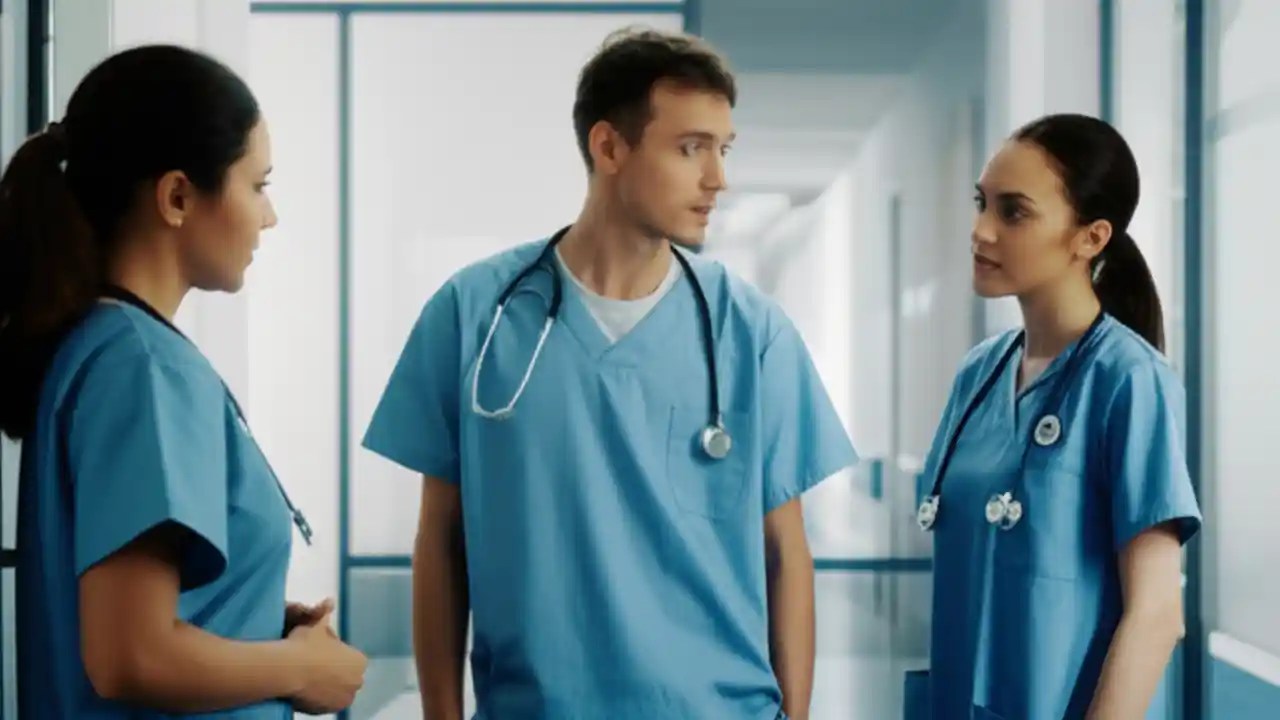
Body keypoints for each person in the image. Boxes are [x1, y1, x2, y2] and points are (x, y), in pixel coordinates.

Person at [362, 27, 857, 720]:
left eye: (724, 149)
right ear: (609, 147)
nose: (718, 178)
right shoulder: (474, 313)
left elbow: (786, 553)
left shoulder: (750, 330)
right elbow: (441, 541)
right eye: (691, 149)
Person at [0, 45, 367, 717]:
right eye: (258, 186)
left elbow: (137, 609)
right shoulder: (143, 369)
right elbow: (130, 656)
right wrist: (301, 666)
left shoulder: (104, 349)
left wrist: (256, 621)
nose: (269, 216)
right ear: (176, 196)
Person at [914, 113, 1202, 719]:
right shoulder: (980, 374)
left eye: (1013, 212)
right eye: (981, 203)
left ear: (1090, 238)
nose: (981, 231)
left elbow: (1155, 615)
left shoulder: (1128, 380)